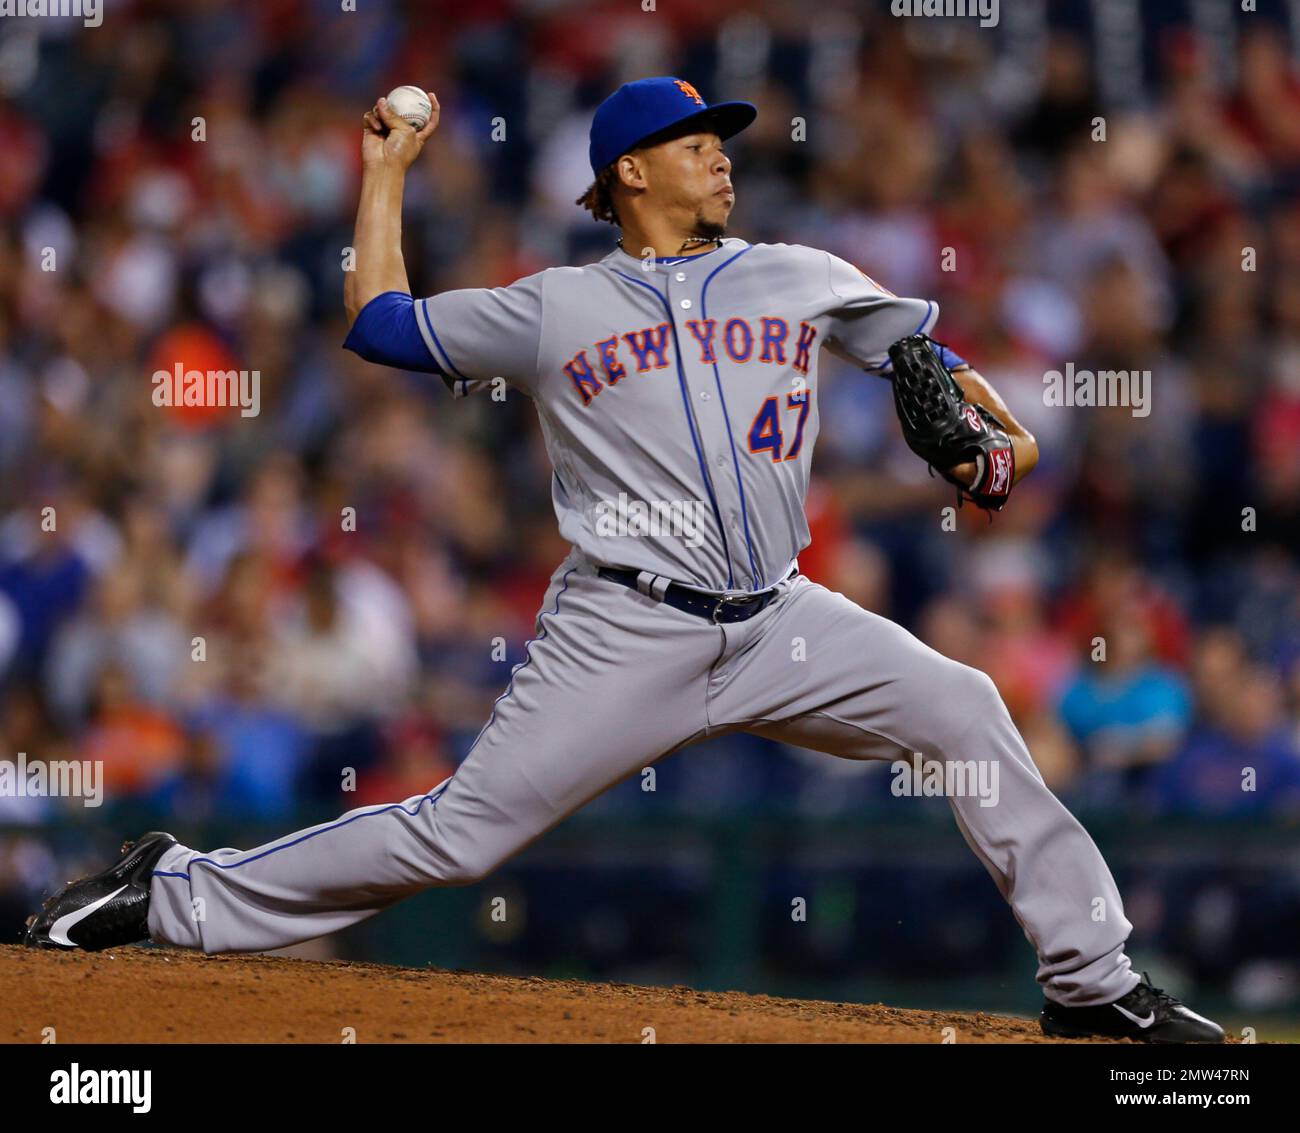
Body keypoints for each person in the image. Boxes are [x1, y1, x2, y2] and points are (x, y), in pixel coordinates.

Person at [24, 77, 1222, 1043]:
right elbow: (379, 321)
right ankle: (170, 887)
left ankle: (1090, 978)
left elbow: (928, 360)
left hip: (781, 617)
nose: (721, 154)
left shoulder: (798, 273)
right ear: (628, 173)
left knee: (964, 706)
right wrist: (386, 169)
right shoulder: (554, 305)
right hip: (622, 625)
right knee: (459, 836)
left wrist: (982, 446)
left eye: (722, 138)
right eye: (694, 140)